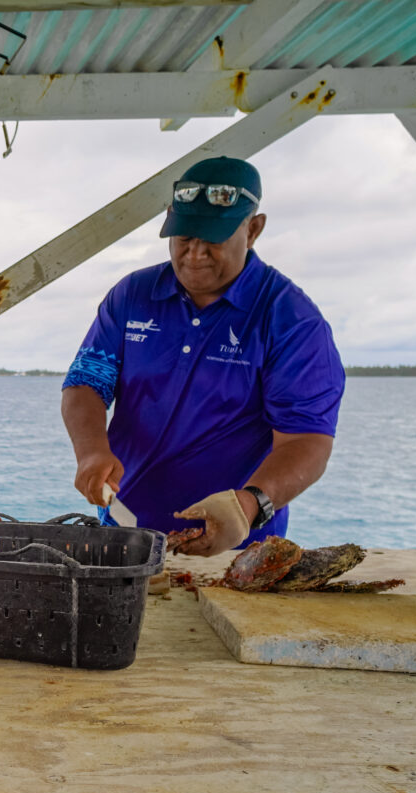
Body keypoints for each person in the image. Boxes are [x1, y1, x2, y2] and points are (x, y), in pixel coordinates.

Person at [60, 156, 344, 556]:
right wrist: (91, 451)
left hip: (240, 547)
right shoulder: (132, 295)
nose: (194, 254)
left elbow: (307, 441)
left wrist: (249, 505)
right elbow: (85, 384)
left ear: (253, 229)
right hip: (125, 533)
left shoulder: (292, 319)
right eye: (184, 238)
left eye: (213, 239)